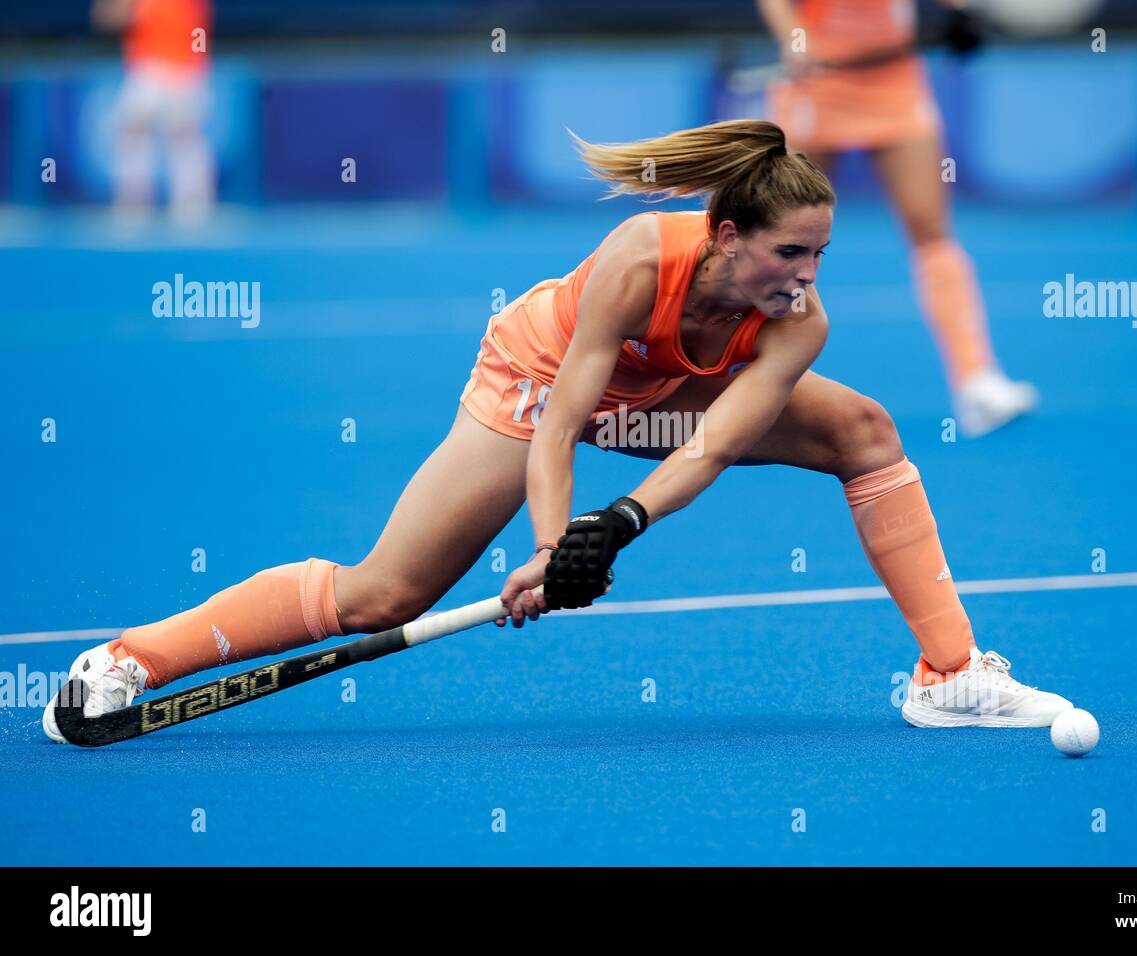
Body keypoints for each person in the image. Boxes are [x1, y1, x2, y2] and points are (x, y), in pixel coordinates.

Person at [44, 120, 1070, 744]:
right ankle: (134, 655)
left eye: (821, 253)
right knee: (383, 593)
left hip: (669, 399)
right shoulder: (639, 258)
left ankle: (948, 674)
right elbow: (566, 418)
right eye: (790, 253)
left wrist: (614, 525)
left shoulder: (798, 322)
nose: (807, 276)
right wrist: (549, 546)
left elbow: (707, 447)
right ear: (725, 239)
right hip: (535, 379)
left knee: (865, 430)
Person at [758, 0, 1038, 436]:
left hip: (895, 84)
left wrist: (960, 14)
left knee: (932, 233)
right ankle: (740, 379)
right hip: (818, 81)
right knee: (780, 236)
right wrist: (793, 37)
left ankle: (976, 381)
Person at [92, 0, 215, 225]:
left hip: (177, 69)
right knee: (137, 133)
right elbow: (105, 18)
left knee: (182, 138)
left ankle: (189, 210)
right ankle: (138, 206)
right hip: (162, 69)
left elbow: (112, 16)